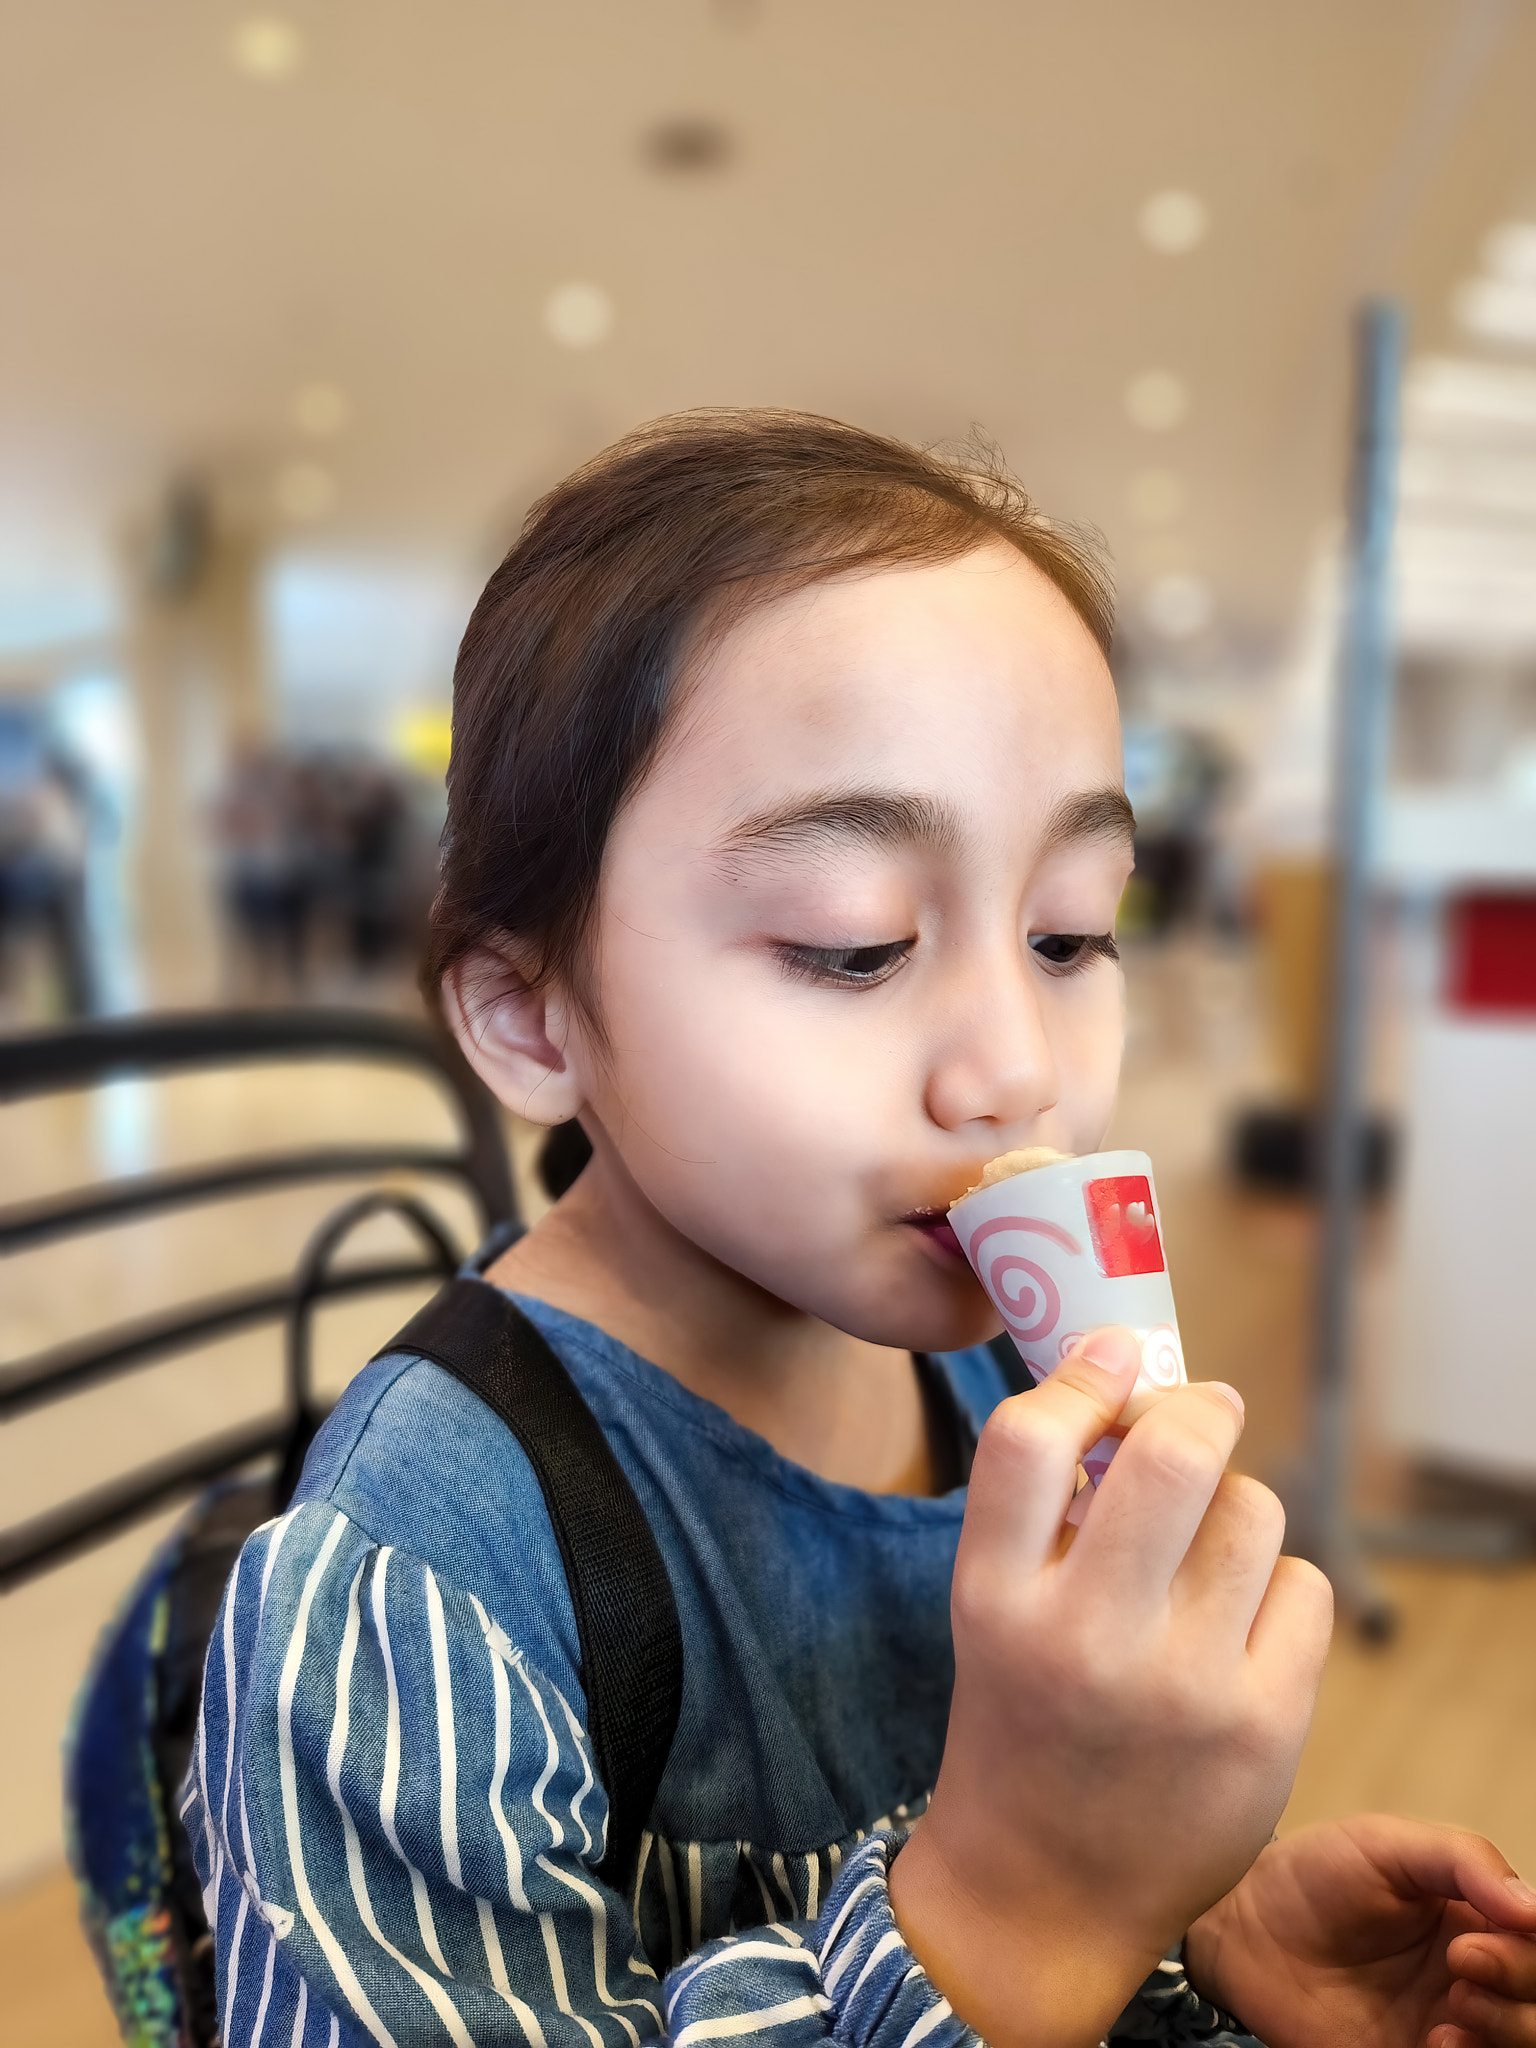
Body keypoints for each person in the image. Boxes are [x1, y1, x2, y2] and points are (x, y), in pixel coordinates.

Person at [185, 412, 1536, 2048]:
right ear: (533, 1015)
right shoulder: (416, 1585)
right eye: (854, 946)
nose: (1019, 1071)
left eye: (1070, 931)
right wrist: (1014, 1913)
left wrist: (1199, 1958)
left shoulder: (994, 1385)